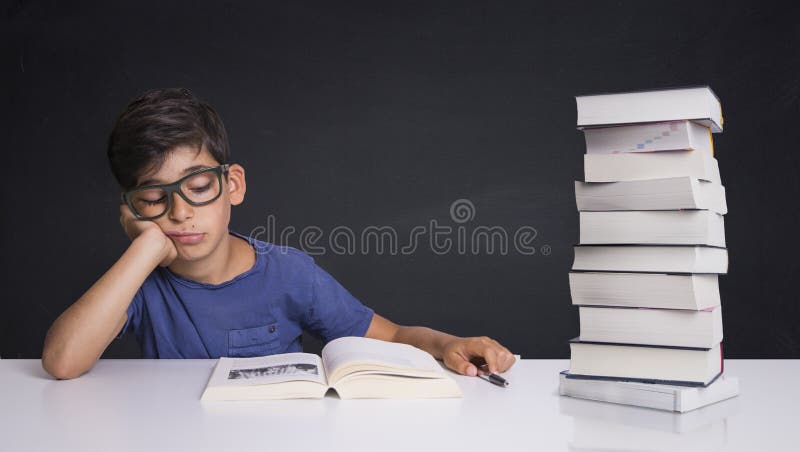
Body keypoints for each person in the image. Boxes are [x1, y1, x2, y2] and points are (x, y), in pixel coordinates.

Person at [41, 88, 516, 380]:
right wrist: (144, 248)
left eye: (199, 186)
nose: (181, 212)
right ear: (132, 209)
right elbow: (62, 362)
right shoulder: (139, 282)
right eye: (153, 198)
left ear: (234, 185)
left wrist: (444, 343)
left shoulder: (288, 273)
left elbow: (389, 334)